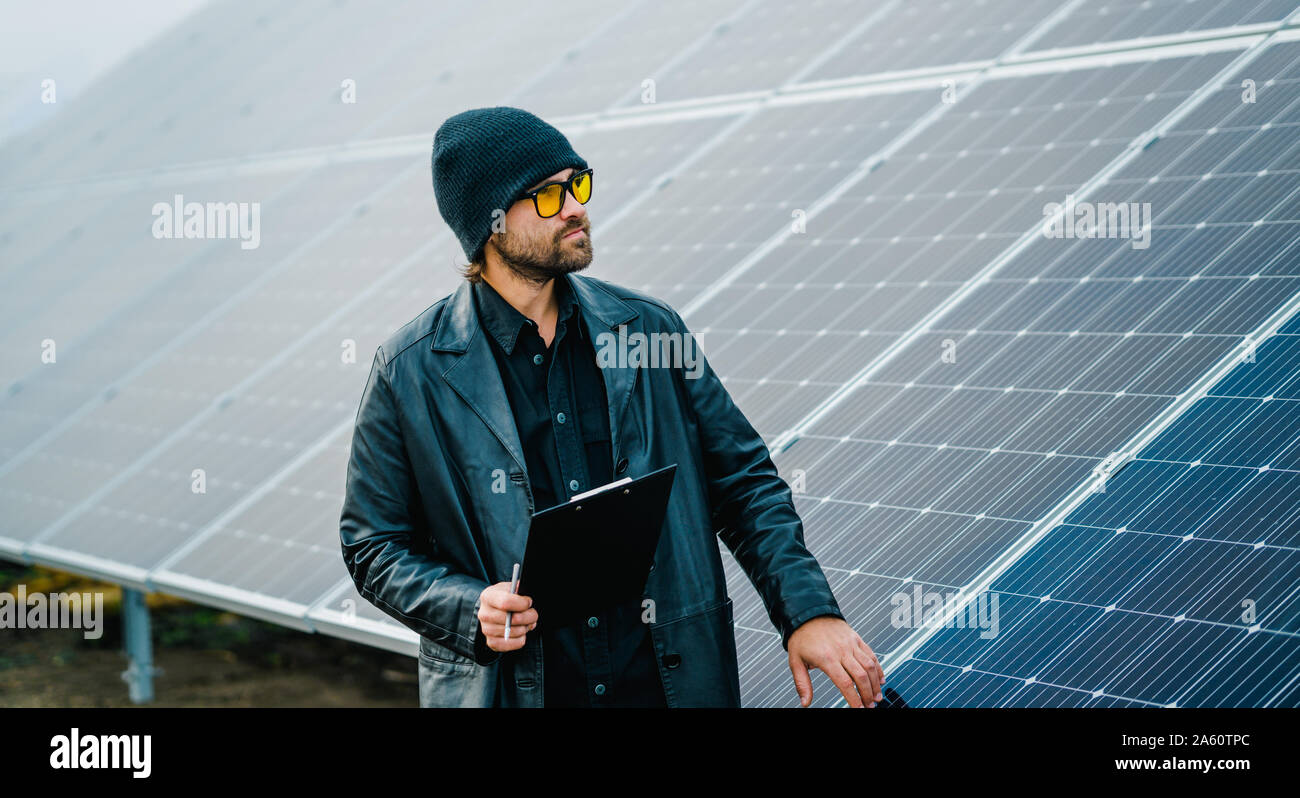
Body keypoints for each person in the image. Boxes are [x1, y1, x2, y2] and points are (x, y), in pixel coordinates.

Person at [339, 105, 885, 707]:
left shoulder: (649, 331)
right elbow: (374, 547)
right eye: (546, 197)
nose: (575, 207)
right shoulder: (411, 371)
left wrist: (807, 612)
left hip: (668, 688)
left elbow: (744, 482)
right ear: (489, 223)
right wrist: (469, 606)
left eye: (577, 184)